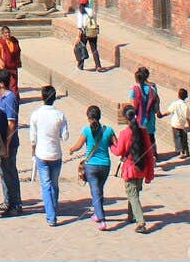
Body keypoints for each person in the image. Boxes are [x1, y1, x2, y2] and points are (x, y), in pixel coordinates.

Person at [67, 103, 115, 229]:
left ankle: (101, 219)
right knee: (99, 190)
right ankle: (96, 213)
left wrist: (71, 149)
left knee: (95, 191)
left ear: (88, 117)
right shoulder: (108, 130)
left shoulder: (87, 130)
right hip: (105, 165)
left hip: (91, 166)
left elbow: (78, 145)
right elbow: (117, 144)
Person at [111, 104, 157, 233]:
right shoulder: (143, 131)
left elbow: (119, 151)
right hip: (141, 168)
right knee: (135, 193)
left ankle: (140, 221)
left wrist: (111, 146)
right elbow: (149, 152)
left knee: (132, 195)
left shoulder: (125, 133)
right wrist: (150, 171)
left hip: (130, 168)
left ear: (125, 118)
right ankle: (131, 215)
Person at [28, 85, 69, 226]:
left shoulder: (36, 114)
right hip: (56, 153)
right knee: (54, 184)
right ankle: (53, 208)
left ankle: (51, 216)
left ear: (42, 97)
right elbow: (65, 136)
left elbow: (32, 137)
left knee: (46, 185)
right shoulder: (60, 115)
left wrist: (33, 151)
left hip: (41, 153)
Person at [0, 69, 23, 217]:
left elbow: (12, 123)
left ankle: (15, 204)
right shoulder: (2, 97)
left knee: (10, 172)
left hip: (8, 143)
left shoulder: (10, 98)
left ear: (0, 83)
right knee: (3, 172)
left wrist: (6, 144)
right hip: (2, 141)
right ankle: (8, 200)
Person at [130, 66, 162, 159]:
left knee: (140, 138)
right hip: (150, 117)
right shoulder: (153, 87)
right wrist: (158, 112)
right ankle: (153, 153)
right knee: (151, 136)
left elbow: (132, 105)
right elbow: (156, 101)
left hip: (139, 117)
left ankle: (142, 155)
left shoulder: (134, 89)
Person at [167, 87, 190, 161]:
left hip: (175, 124)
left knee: (177, 138)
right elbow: (188, 117)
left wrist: (162, 115)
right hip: (182, 125)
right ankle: (185, 151)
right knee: (183, 138)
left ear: (178, 95)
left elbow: (169, 111)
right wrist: (189, 125)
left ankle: (180, 151)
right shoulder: (185, 106)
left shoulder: (175, 103)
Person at [76, 0, 103, 71]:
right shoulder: (92, 11)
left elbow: (79, 26)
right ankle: (98, 66)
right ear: (87, 3)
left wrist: (78, 36)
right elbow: (95, 20)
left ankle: (80, 65)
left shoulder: (80, 12)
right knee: (94, 49)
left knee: (82, 48)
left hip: (84, 33)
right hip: (92, 31)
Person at [0, 26, 22, 92]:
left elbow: (18, 51)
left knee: (13, 82)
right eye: (6, 33)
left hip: (13, 64)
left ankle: (14, 98)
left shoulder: (14, 40)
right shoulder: (0, 42)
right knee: (4, 82)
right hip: (4, 65)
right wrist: (0, 61)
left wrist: (19, 61)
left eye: (9, 32)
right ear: (2, 34)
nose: (8, 34)